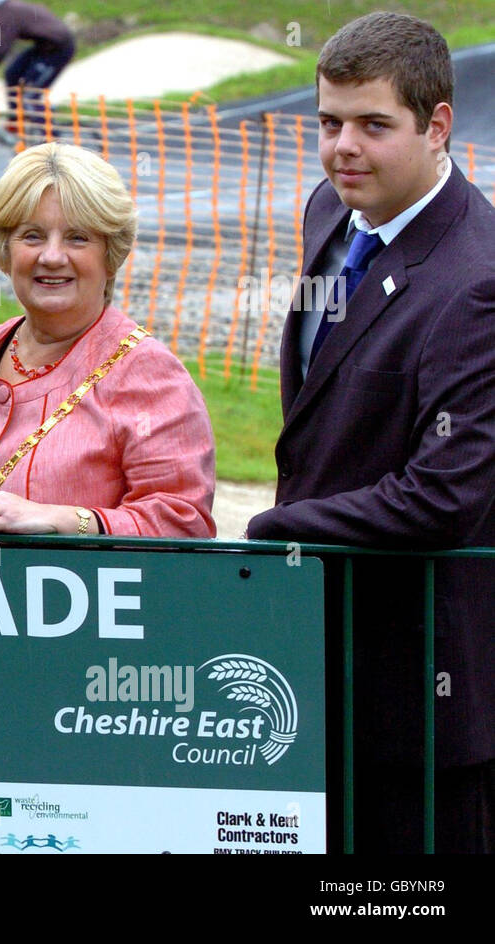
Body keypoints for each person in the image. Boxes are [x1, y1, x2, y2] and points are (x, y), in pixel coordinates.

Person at [247, 12, 495, 854]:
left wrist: (278, 529)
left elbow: (443, 498)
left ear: (437, 126)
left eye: (373, 125)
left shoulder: (476, 284)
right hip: (316, 660)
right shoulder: (331, 210)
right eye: (328, 123)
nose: (343, 147)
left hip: (421, 692)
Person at [0, 143, 214, 538]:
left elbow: (183, 524)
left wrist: (65, 520)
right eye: (32, 236)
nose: (52, 256)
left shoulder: (149, 375)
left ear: (112, 253)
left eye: (77, 238)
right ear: (5, 250)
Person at [0, 0, 75, 130]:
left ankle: (54, 144)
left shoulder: (4, 14)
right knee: (12, 74)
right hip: (43, 46)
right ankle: (16, 123)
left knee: (29, 98)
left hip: (58, 49)